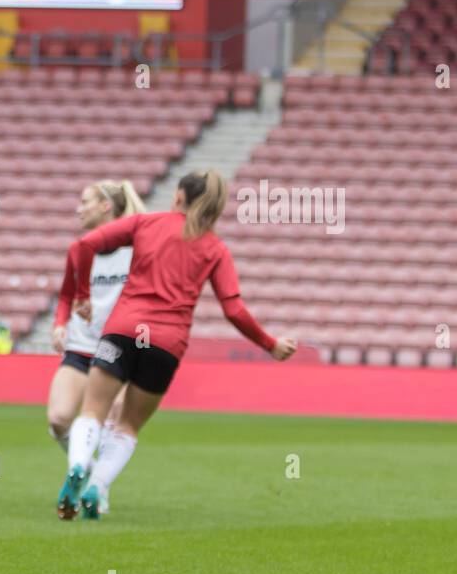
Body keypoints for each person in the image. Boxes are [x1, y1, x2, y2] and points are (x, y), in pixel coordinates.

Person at [58, 170, 298, 520]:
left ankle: (79, 464)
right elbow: (234, 309)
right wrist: (271, 344)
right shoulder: (215, 248)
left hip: (122, 331)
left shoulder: (145, 223)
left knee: (92, 412)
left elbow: (83, 245)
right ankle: (98, 484)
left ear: (178, 197)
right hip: (166, 345)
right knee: (127, 426)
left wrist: (82, 295)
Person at [47, 179, 145, 513]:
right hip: (80, 345)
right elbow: (66, 293)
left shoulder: (135, 249)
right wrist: (60, 323)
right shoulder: (80, 248)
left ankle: (98, 487)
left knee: (110, 420)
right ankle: (85, 472)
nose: (78, 208)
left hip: (119, 349)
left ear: (105, 206)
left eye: (84, 201)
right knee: (59, 418)